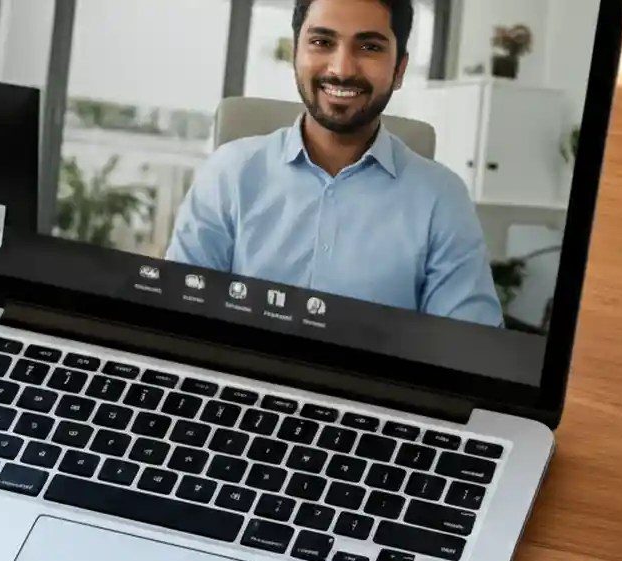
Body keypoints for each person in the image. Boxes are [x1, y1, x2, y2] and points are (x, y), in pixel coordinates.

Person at [166, 0, 503, 327]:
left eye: (369, 47)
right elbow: (178, 316)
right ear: (296, 53)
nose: (342, 70)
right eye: (322, 42)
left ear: (399, 70)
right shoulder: (228, 174)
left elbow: (469, 345)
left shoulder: (443, 199)